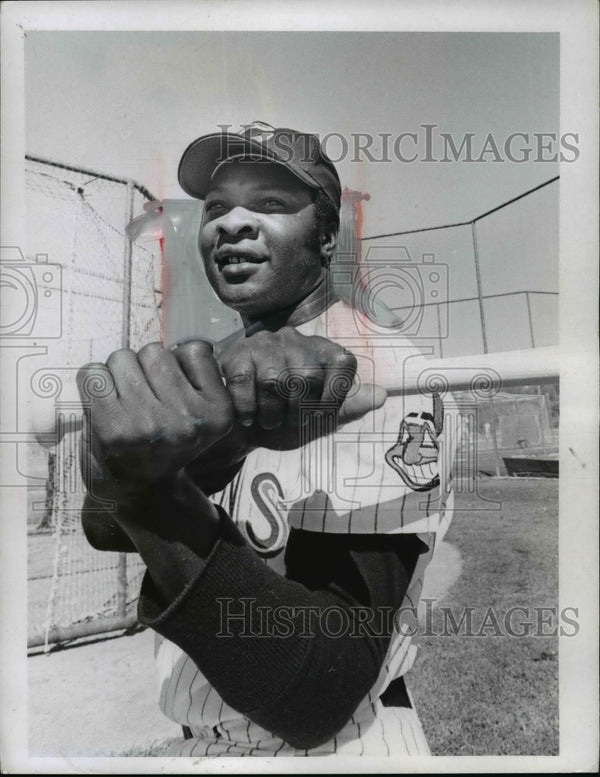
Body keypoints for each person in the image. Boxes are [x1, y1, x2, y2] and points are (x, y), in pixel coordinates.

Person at [77, 123, 459, 757]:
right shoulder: (205, 366)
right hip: (199, 741)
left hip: (339, 750)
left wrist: (155, 493)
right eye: (218, 207)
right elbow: (108, 527)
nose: (232, 224)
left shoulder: (388, 378)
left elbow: (317, 692)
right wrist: (194, 456)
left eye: (272, 204)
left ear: (328, 235)